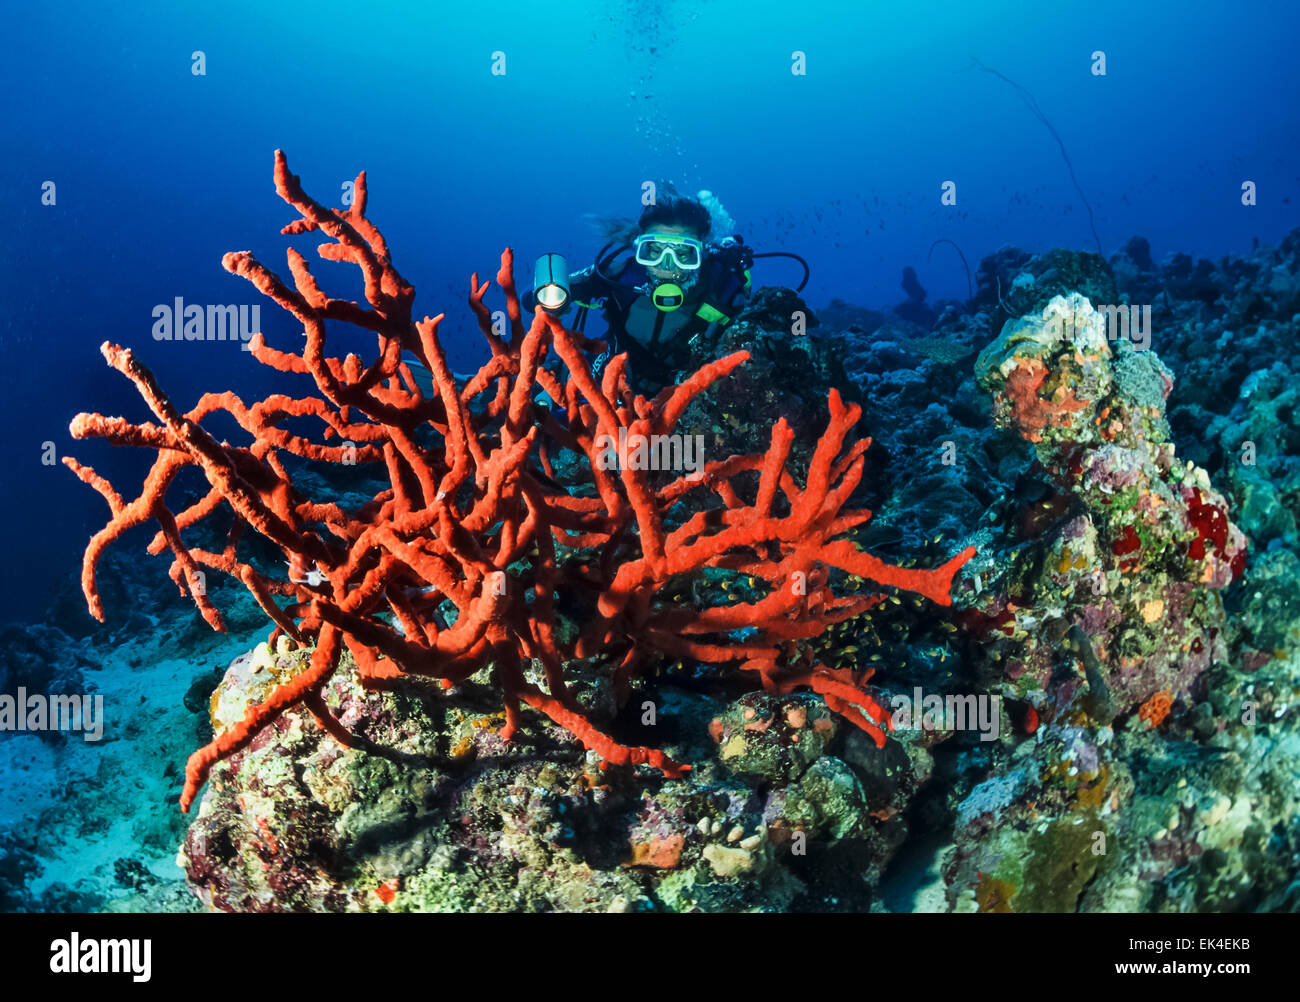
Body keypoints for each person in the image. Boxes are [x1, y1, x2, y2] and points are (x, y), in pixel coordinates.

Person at [527, 186, 753, 393]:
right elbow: (531, 298)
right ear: (639, 248)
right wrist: (554, 294)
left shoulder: (723, 288)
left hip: (688, 395)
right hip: (615, 373)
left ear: (701, 254)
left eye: (683, 253)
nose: (667, 264)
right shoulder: (620, 274)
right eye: (654, 250)